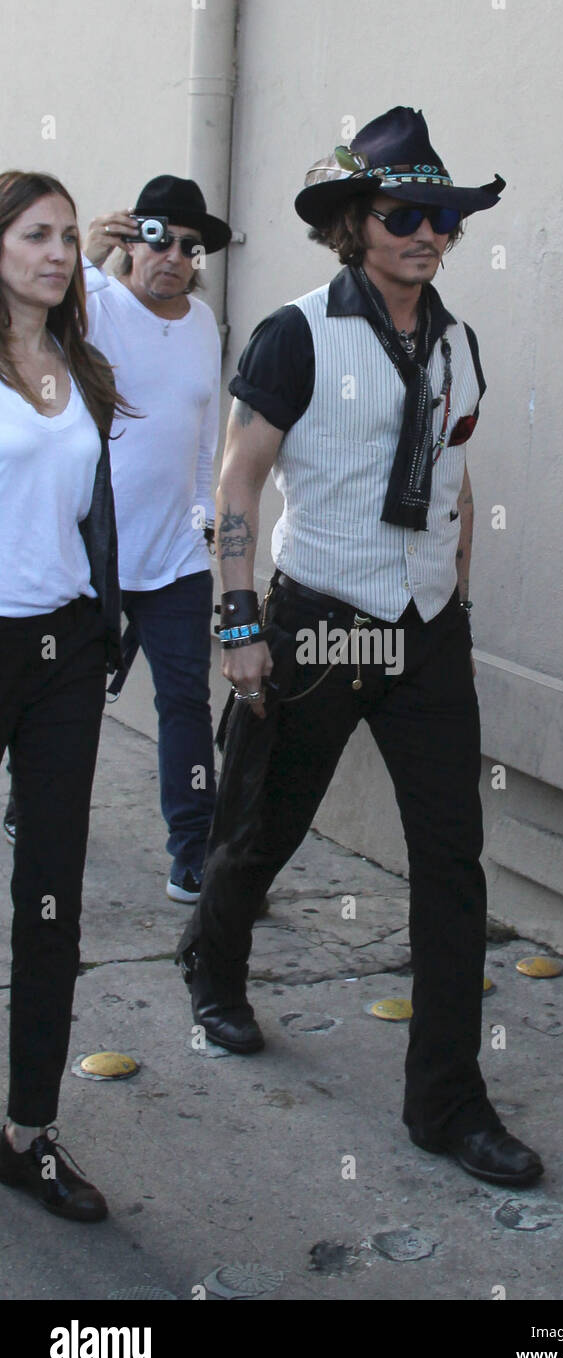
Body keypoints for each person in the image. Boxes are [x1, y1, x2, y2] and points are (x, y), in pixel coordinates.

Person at [178, 107, 544, 1187]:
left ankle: (445, 1103)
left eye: (440, 217)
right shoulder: (295, 332)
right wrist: (239, 620)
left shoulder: (458, 342)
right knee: (260, 826)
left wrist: (455, 598)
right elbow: (238, 479)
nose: (425, 234)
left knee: (449, 865)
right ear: (353, 224)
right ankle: (213, 956)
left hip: (427, 636)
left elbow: (455, 478)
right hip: (317, 616)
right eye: (402, 216)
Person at [0, 169, 131, 1219]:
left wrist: (106, 624)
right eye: (34, 235)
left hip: (64, 657)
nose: (56, 253)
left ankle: (29, 1128)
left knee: (50, 898)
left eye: (64, 239)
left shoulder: (81, 367)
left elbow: (94, 515)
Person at [79, 176, 231, 902]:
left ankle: (192, 849)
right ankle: (31, 801)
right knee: (67, 699)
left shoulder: (203, 322)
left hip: (174, 556)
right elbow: (31, 314)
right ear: (130, 240)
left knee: (185, 703)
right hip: (92, 555)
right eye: (157, 237)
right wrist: (84, 255)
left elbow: (206, 436)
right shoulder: (94, 306)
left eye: (188, 246)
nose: (173, 255)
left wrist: (203, 515)